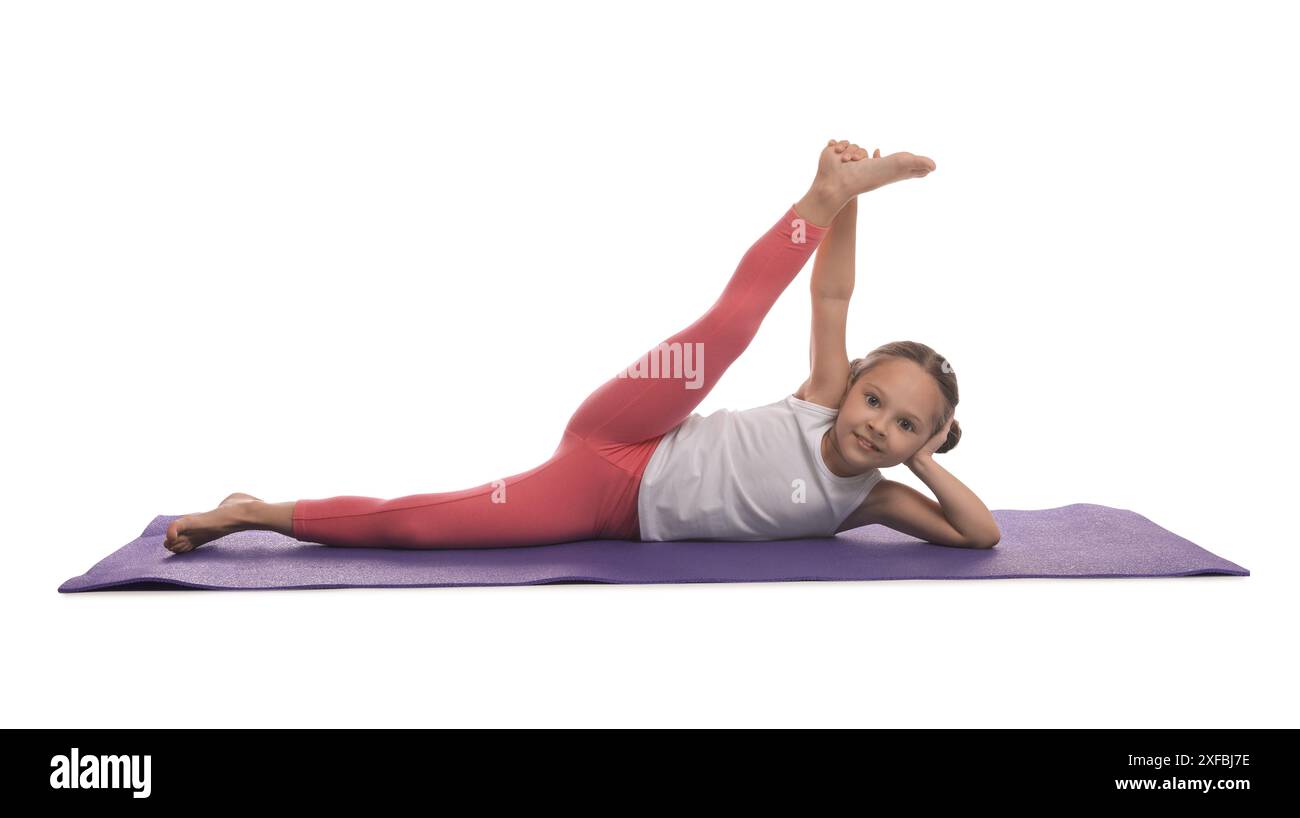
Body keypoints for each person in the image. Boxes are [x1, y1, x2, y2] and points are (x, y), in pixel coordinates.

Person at [164, 138, 1000, 553]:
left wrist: (924, 460)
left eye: (903, 427)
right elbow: (832, 294)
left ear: (920, 445)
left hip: (605, 501)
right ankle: (817, 196)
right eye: (876, 399)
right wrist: (845, 202)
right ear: (852, 384)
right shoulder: (822, 390)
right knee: (726, 333)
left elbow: (980, 537)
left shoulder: (874, 501)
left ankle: (251, 511)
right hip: (630, 430)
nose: (877, 425)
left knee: (425, 529)